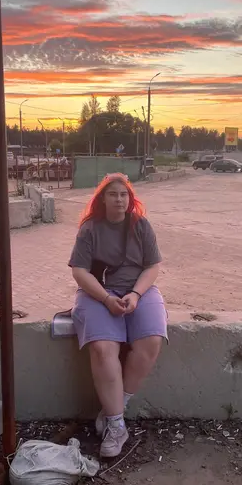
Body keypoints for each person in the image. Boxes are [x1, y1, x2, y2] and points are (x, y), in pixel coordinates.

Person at [68, 173, 167, 458]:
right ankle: (116, 425)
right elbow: (80, 272)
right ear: (102, 198)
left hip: (138, 290)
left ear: (130, 198)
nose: (119, 199)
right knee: (102, 347)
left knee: (151, 340)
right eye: (113, 194)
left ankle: (116, 407)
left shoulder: (141, 225)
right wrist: (106, 298)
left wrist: (135, 294)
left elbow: (152, 267)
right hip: (99, 293)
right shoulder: (90, 229)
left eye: (124, 194)